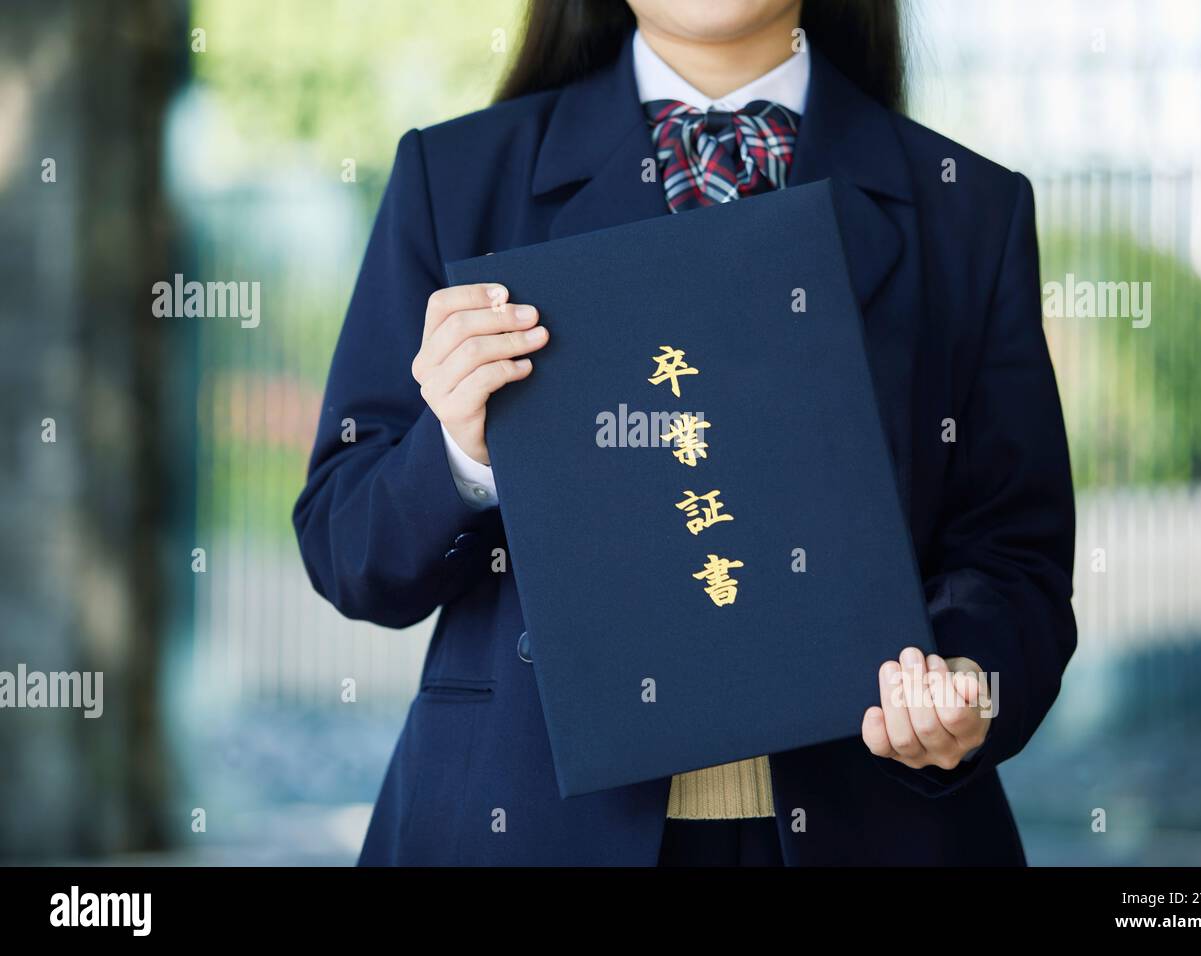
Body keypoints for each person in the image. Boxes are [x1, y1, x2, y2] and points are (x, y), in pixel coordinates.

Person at [293, 0, 1077, 866]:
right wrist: (459, 452)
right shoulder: (457, 177)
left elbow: (1016, 556)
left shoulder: (965, 207)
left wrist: (967, 683)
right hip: (522, 822)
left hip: (872, 824)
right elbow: (347, 546)